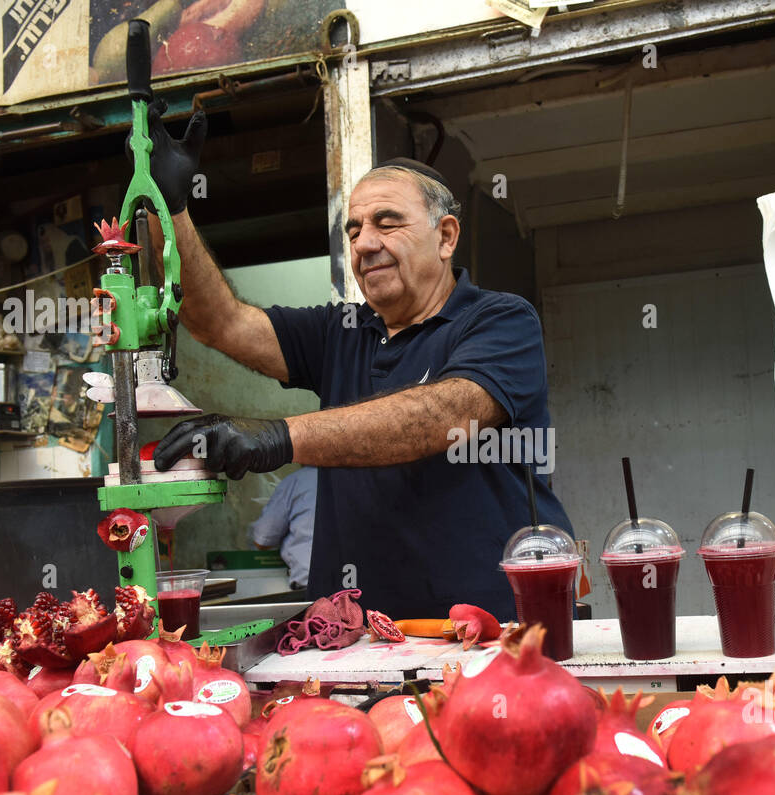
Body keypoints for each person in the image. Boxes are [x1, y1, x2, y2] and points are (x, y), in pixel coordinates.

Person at [146, 106, 574, 620]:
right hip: (351, 643)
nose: (365, 243)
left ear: (446, 237)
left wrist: (276, 437)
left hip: (489, 633)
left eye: (387, 224)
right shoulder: (341, 332)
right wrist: (169, 208)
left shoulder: (501, 321)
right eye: (353, 231)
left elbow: (442, 417)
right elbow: (220, 323)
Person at [249, 466, 317, 590]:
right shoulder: (357, 479)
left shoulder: (298, 480)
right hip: (355, 585)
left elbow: (262, 541)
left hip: (312, 586)